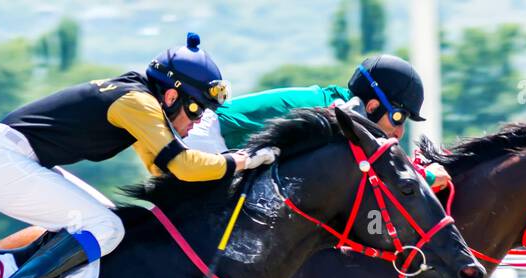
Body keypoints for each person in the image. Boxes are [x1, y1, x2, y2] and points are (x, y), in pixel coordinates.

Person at [0, 32, 277, 278]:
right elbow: (182, 165)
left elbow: (163, 172)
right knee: (106, 227)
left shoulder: (141, 105)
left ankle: (22, 276)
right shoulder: (136, 103)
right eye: (196, 112)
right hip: (0, 163)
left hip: (9, 159)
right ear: (171, 96)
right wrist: (241, 161)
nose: (196, 124)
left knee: (110, 221)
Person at [183, 54, 450, 192]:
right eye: (398, 117)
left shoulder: (338, 104)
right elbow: (372, 160)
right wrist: (423, 175)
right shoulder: (340, 111)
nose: (400, 131)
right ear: (372, 106)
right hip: (205, 141)